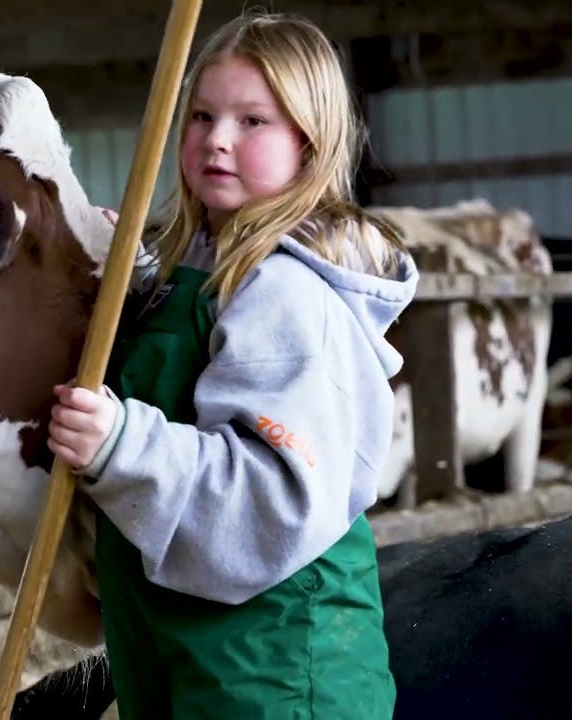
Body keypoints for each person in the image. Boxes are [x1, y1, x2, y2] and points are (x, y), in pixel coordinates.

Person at [46, 11, 419, 720]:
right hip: (187, 650)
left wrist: (122, 447)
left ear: (309, 143)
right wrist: (129, 278)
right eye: (202, 116)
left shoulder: (287, 294)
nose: (217, 138)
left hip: (274, 668)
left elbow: (271, 502)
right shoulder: (199, 271)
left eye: (253, 121)